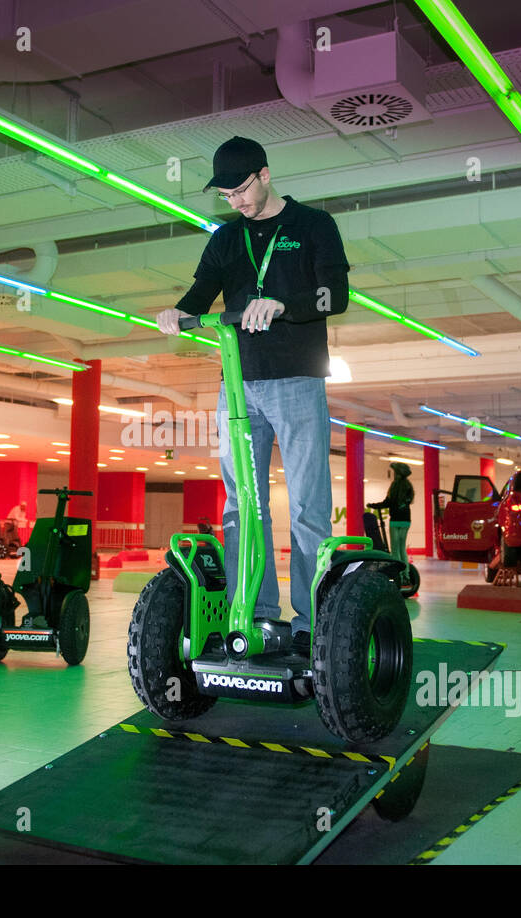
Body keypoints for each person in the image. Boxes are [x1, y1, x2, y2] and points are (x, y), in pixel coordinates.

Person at [156, 136, 350, 653]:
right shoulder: (225, 238)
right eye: (226, 196)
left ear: (264, 175)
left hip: (297, 378)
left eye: (241, 190)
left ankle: (311, 622)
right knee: (242, 505)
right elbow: (201, 291)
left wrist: (284, 305)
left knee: (307, 504)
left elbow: (335, 296)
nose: (236, 202)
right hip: (238, 383)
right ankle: (257, 616)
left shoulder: (313, 225)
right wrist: (178, 311)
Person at [370, 462, 414, 576]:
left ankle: (397, 574)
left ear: (397, 474)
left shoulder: (394, 486)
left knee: (395, 549)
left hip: (395, 520)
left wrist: (374, 505)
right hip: (406, 520)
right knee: (402, 548)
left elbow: (387, 502)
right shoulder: (409, 486)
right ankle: (406, 573)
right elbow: (408, 501)